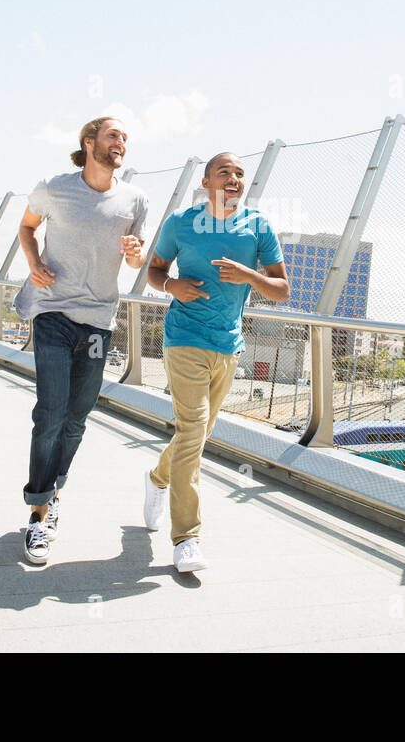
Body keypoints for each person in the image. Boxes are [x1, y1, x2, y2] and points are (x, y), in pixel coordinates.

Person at [142, 152, 289, 572]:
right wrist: (172, 285)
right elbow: (154, 270)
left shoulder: (258, 226)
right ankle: (186, 537)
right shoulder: (180, 223)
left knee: (197, 434)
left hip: (229, 345)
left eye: (240, 173)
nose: (233, 178)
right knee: (192, 433)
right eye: (224, 172)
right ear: (206, 182)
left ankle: (157, 478)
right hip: (184, 338)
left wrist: (250, 276)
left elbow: (281, 289)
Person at [14, 116, 148, 565]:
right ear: (89, 142)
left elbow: (136, 259)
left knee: (76, 418)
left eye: (125, 138)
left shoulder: (135, 199)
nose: (121, 142)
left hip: (98, 323)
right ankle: (38, 514)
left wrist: (135, 255)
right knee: (50, 412)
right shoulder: (54, 187)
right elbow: (27, 227)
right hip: (53, 313)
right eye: (113, 135)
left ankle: (53, 494)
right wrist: (34, 262)